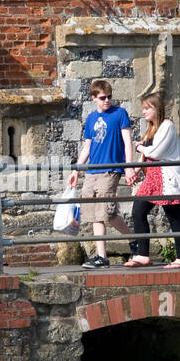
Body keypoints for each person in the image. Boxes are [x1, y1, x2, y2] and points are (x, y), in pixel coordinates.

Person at [67, 79, 135, 268]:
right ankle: (101, 257)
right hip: (92, 170)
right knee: (94, 213)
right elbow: (87, 146)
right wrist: (77, 170)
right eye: (103, 98)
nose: (107, 101)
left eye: (109, 97)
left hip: (111, 169)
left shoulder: (120, 114)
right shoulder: (90, 118)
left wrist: (129, 166)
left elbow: (127, 141)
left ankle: (135, 240)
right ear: (94, 98)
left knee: (108, 212)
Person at [125, 92, 180, 268]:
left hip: (167, 178)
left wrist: (139, 147)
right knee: (138, 211)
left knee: (174, 217)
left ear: (157, 108)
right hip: (153, 179)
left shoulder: (167, 126)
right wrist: (134, 171)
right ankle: (142, 255)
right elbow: (146, 156)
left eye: (148, 108)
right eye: (143, 109)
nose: (144, 112)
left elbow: (155, 152)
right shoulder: (151, 129)